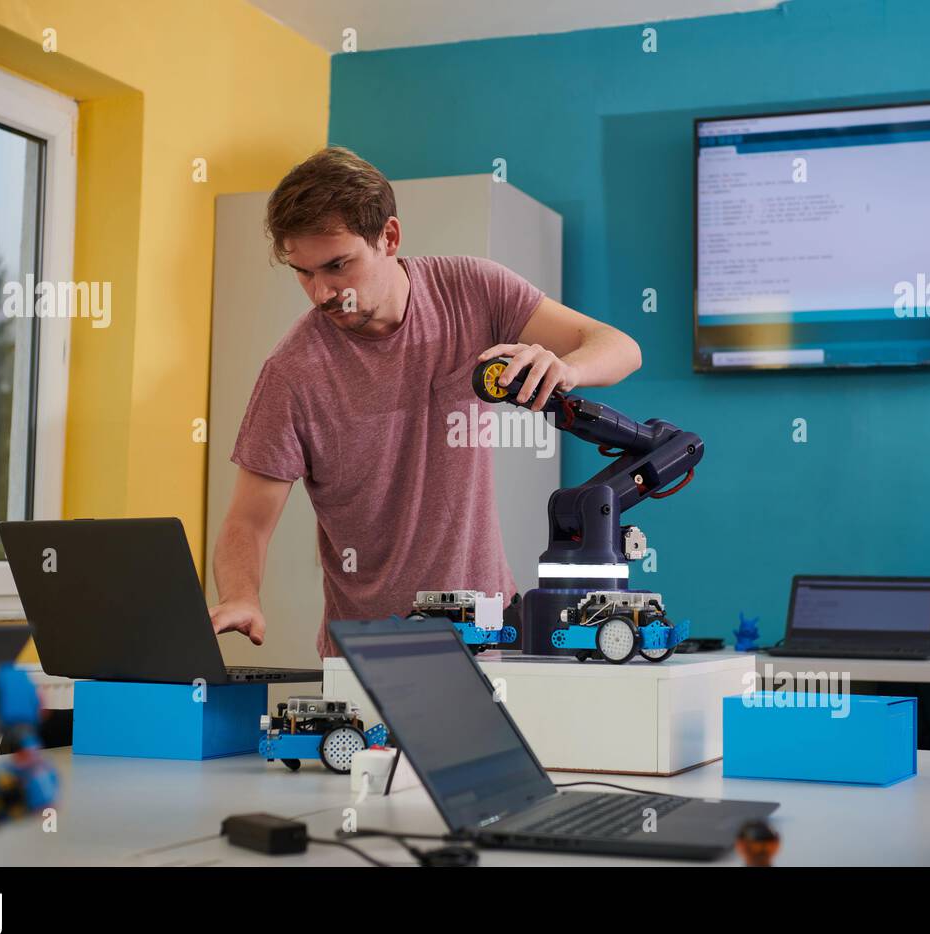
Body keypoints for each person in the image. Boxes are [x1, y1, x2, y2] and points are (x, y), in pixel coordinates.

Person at [210, 147, 641, 659]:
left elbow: (620, 348)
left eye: (338, 265)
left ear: (389, 237)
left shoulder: (473, 290)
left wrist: (567, 368)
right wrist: (240, 595)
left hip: (489, 633)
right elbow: (248, 521)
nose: (322, 292)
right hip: (368, 655)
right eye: (302, 272)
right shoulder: (292, 373)